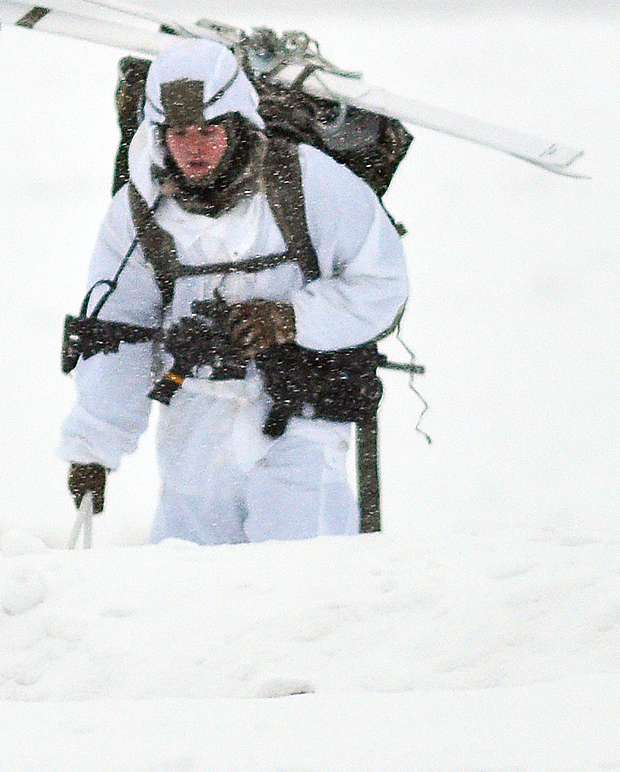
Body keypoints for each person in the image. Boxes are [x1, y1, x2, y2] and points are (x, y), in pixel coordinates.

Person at [58, 39, 408, 545]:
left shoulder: (309, 185)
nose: (193, 147)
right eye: (179, 132)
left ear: (240, 123)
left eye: (208, 130)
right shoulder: (138, 211)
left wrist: (292, 320)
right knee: (190, 586)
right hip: (195, 425)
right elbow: (120, 331)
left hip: (299, 418)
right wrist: (93, 446)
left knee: (300, 577)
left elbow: (382, 285)